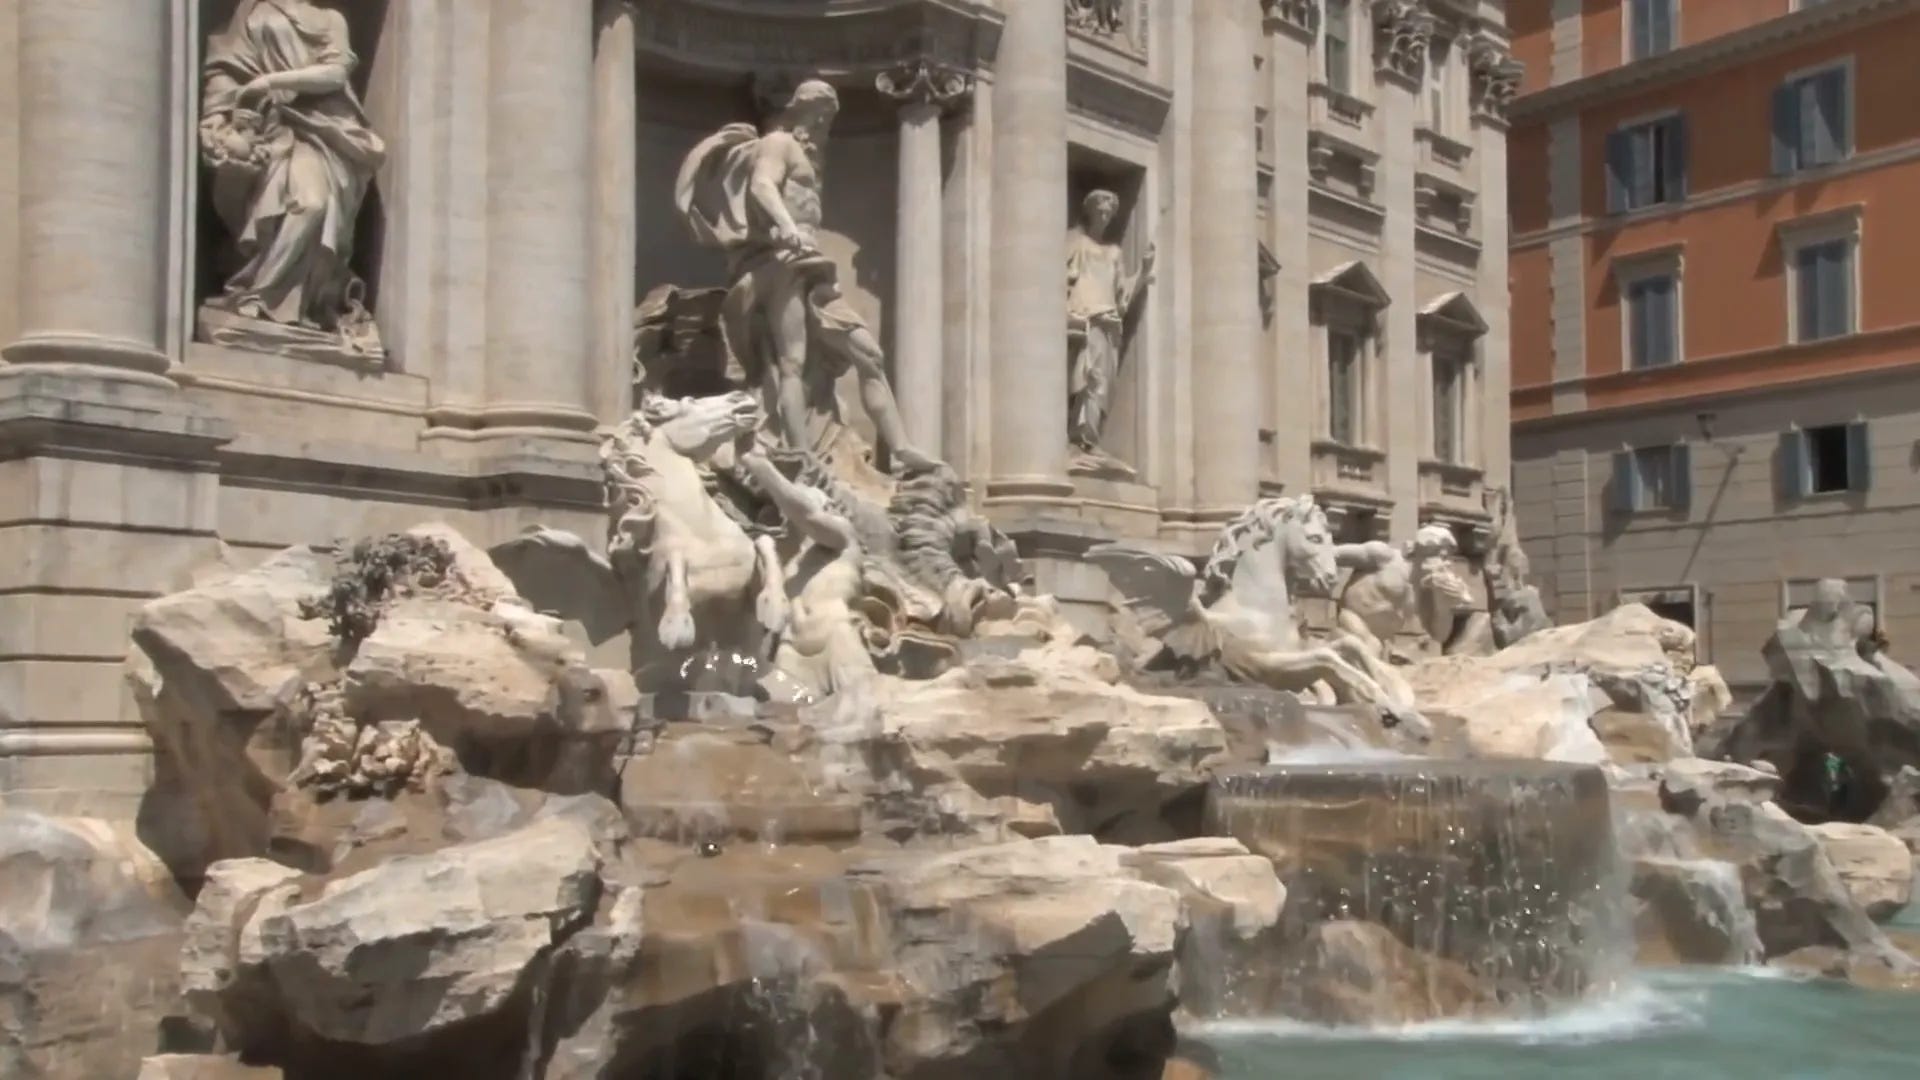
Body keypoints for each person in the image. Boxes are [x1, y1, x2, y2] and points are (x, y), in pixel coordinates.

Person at [676, 80, 935, 472]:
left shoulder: (808, 156)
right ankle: (801, 455)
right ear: (804, 114)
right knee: (790, 361)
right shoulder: (779, 143)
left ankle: (900, 449)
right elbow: (763, 185)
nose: (824, 127)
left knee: (869, 354)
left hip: (809, 262)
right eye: (821, 118)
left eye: (827, 120)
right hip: (782, 260)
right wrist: (786, 226)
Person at [199, 0, 385, 331]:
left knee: (312, 204)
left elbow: (336, 72)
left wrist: (269, 83)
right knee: (279, 211)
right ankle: (261, 295)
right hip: (267, 131)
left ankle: (265, 297)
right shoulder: (253, 12)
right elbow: (226, 69)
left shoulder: (330, 19)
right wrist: (222, 124)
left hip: (325, 130)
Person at [1066, 190, 1153, 453]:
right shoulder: (1078, 243)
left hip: (1110, 323)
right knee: (1087, 378)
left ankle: (1090, 439)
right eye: (1100, 211)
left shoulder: (1114, 252)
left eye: (1109, 213)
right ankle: (1080, 438)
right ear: (1090, 211)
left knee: (1103, 384)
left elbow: (1123, 294)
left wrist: (1144, 270)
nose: (1104, 217)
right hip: (1088, 318)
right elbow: (1064, 280)